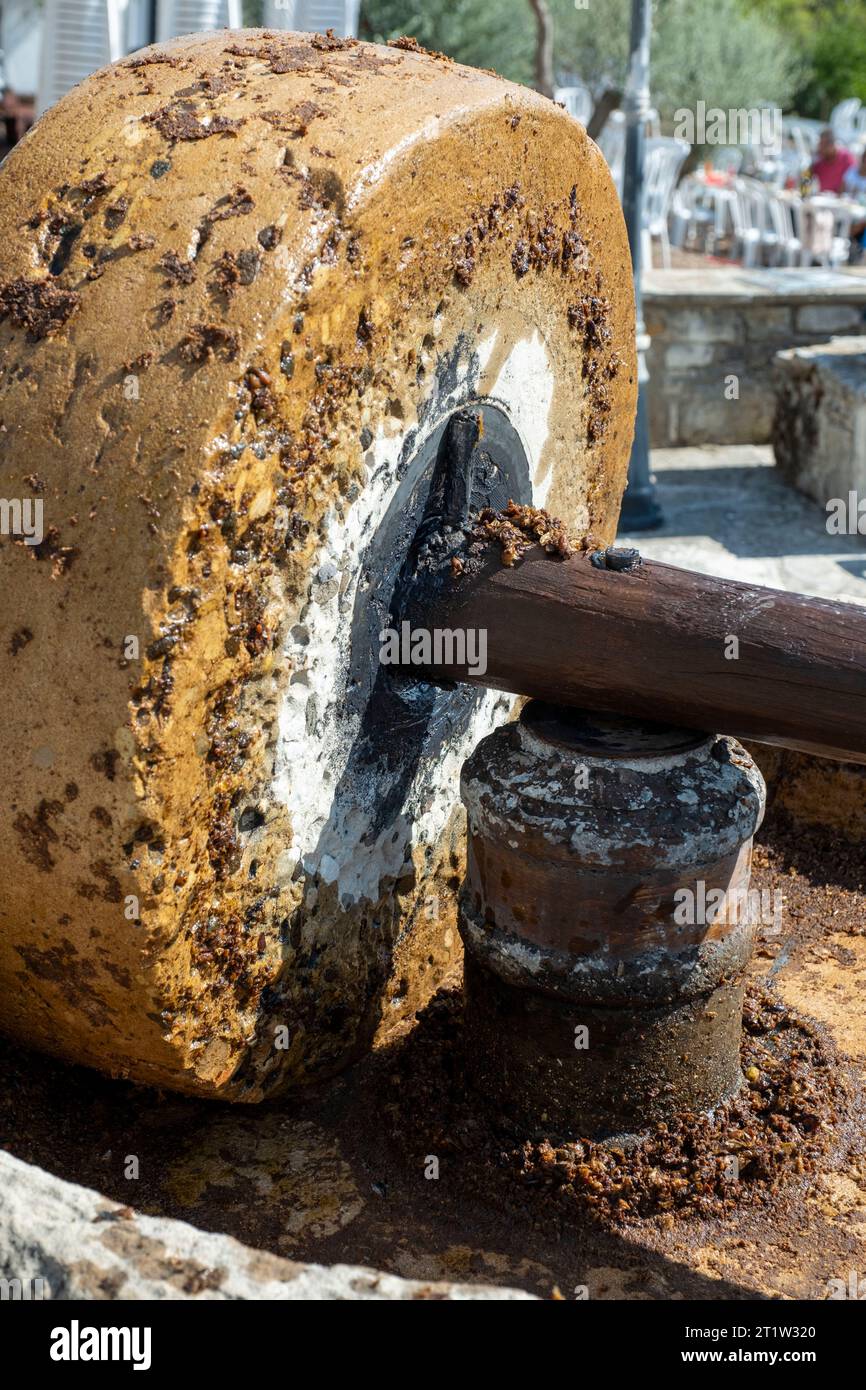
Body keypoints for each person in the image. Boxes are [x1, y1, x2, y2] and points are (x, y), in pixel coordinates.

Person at [810, 128, 856, 194]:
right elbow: (808, 179)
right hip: (819, 199)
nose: (821, 147)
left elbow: (853, 182)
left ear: (832, 144)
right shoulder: (818, 162)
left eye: (825, 144)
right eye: (820, 144)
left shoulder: (846, 158)